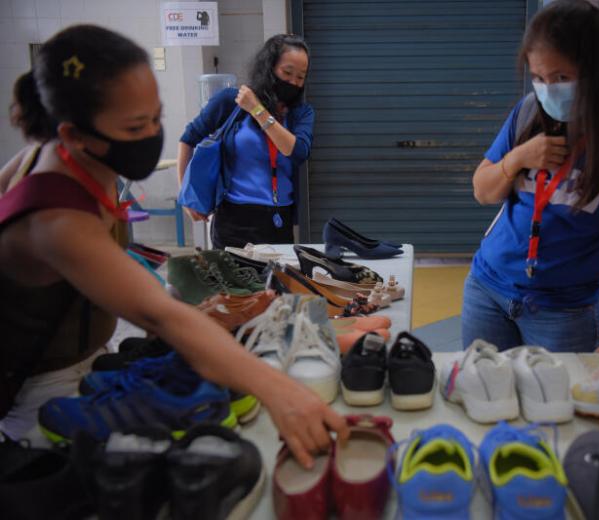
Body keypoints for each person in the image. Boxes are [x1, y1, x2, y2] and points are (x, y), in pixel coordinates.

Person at [0, 25, 345, 467]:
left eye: (156, 117)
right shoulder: (55, 216)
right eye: (136, 125)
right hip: (46, 393)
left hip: (92, 358)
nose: (152, 134)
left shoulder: (76, 154)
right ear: (73, 133)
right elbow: (159, 314)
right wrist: (279, 390)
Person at [462, 0, 599, 353]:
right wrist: (517, 158)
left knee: (559, 392)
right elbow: (482, 191)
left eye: (561, 78)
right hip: (488, 290)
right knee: (481, 386)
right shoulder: (528, 112)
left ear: (597, 71)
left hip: (563, 313)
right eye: (538, 78)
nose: (548, 90)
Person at [177, 34, 313, 249]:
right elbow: (188, 139)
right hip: (233, 218)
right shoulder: (231, 101)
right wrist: (185, 195)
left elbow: (296, 151)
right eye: (287, 73)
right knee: (230, 272)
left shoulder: (301, 114)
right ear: (269, 67)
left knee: (275, 272)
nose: (293, 82)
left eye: (300, 76)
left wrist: (257, 109)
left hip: (278, 219)